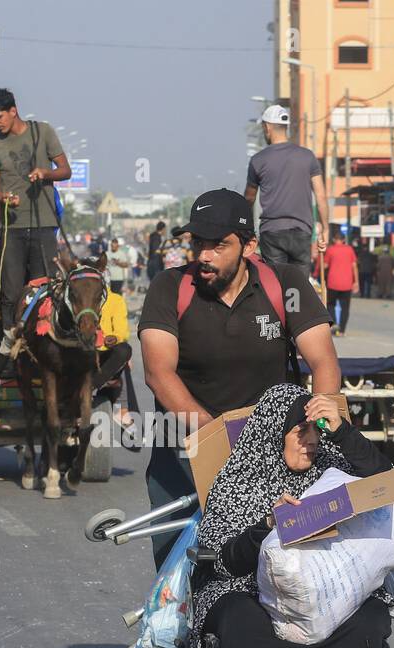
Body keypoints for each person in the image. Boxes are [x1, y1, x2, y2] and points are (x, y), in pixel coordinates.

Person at [190, 384, 394, 648]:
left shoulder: (333, 468)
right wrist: (268, 525)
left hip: (328, 589)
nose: (313, 441)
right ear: (273, 431)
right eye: (301, 432)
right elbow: (220, 558)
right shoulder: (241, 478)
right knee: (238, 617)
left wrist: (341, 430)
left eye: (317, 430)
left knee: (369, 616)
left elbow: (386, 485)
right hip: (248, 587)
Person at [139, 189, 342, 569]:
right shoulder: (169, 288)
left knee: (269, 575)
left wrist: (316, 424)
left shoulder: (286, 284)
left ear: (249, 246)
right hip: (186, 453)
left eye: (218, 246)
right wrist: (216, 437)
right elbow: (157, 372)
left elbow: (324, 363)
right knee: (182, 581)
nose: (203, 256)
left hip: (272, 455)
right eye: (198, 243)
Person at [0, 87, 71, 342]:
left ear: (13, 111)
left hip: (44, 224)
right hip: (12, 227)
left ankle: (44, 342)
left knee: (44, 288)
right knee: (10, 291)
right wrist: (3, 198)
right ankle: (9, 346)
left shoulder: (42, 132)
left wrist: (45, 173)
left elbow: (65, 170)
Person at [244, 104, 329, 268]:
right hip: (301, 231)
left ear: (267, 127)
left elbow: (249, 198)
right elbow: (321, 196)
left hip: (272, 231)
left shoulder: (258, 160)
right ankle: (297, 293)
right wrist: (325, 228)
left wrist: (246, 228)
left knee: (275, 283)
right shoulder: (307, 156)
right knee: (298, 285)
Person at [94, 287, 135, 427]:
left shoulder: (115, 300)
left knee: (124, 352)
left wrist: (115, 337)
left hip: (105, 351)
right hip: (81, 352)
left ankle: (121, 408)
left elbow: (121, 330)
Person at [322, 230, 359, 336]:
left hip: (332, 283)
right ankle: (342, 330)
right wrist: (356, 282)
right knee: (345, 308)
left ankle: (333, 324)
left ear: (334, 240)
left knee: (330, 304)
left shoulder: (330, 250)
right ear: (344, 240)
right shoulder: (350, 250)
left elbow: (325, 265)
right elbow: (354, 266)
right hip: (347, 284)